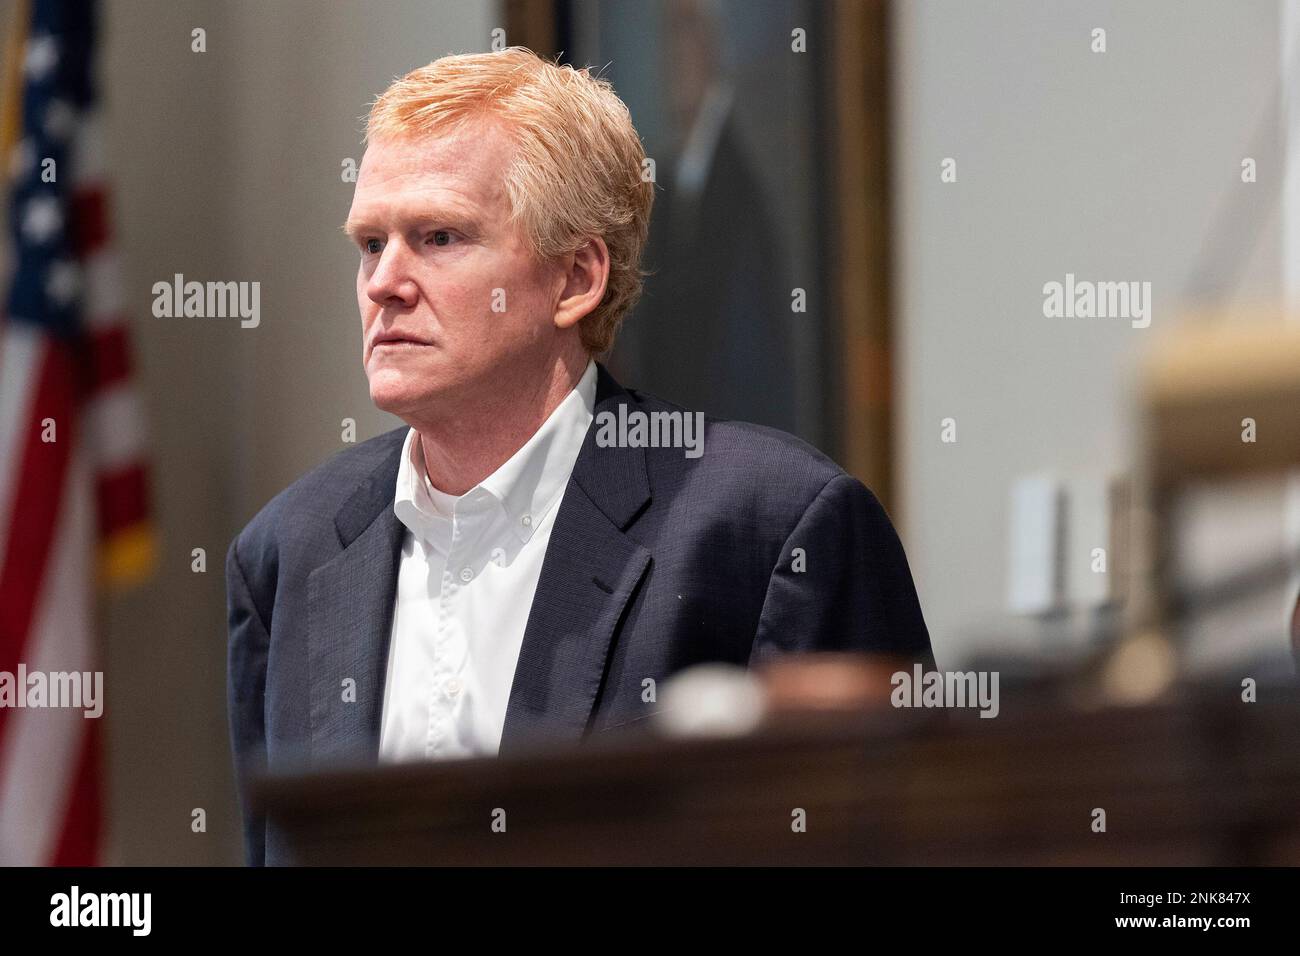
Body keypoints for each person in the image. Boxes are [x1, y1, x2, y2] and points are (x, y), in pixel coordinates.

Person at [226, 47, 933, 866]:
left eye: (439, 236)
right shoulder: (286, 552)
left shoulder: (770, 531)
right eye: (370, 242)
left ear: (576, 277)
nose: (384, 281)